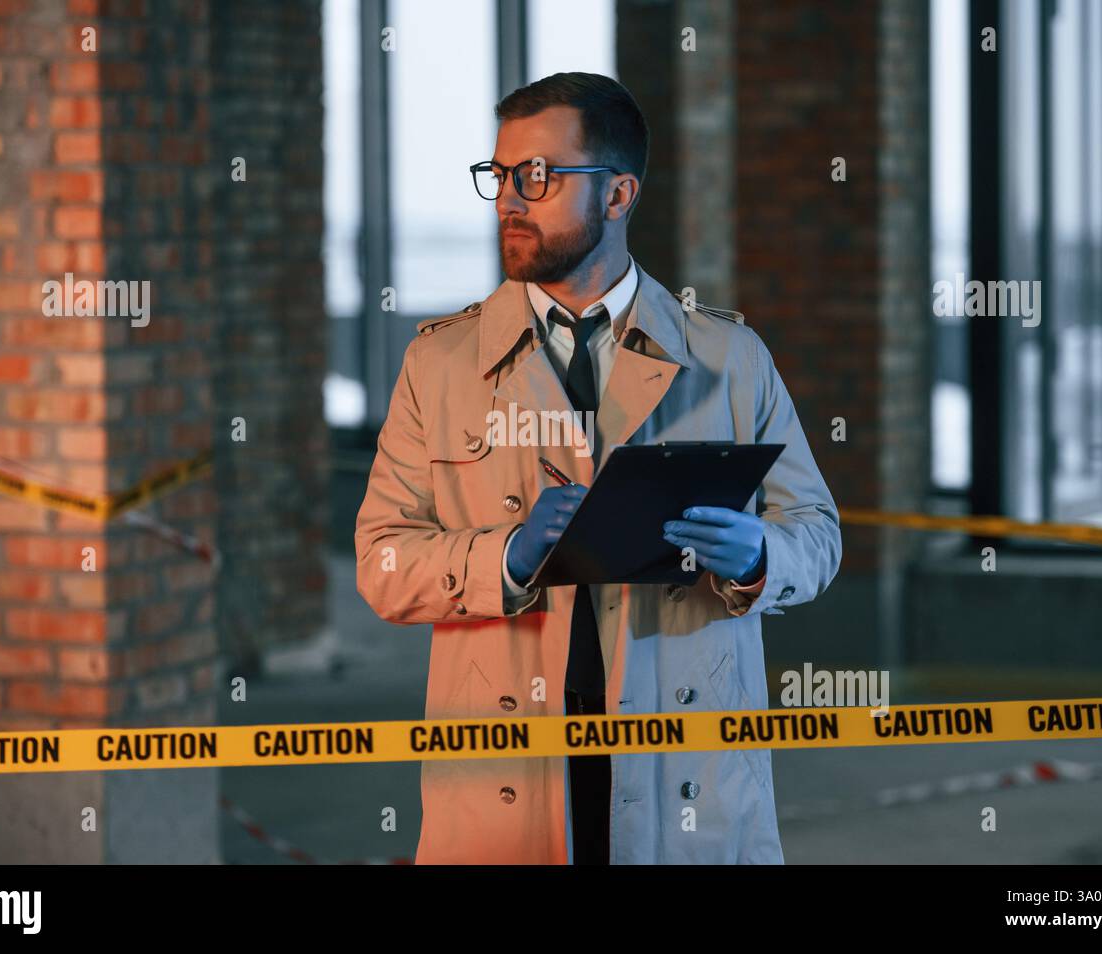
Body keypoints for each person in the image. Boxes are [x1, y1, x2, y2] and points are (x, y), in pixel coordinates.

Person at [355, 72, 841, 864]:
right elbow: (382, 562)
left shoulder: (728, 359)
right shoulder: (438, 365)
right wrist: (503, 555)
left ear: (618, 196)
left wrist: (758, 556)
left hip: (684, 769)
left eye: (538, 176)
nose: (510, 198)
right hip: (504, 773)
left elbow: (817, 535)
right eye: (501, 175)